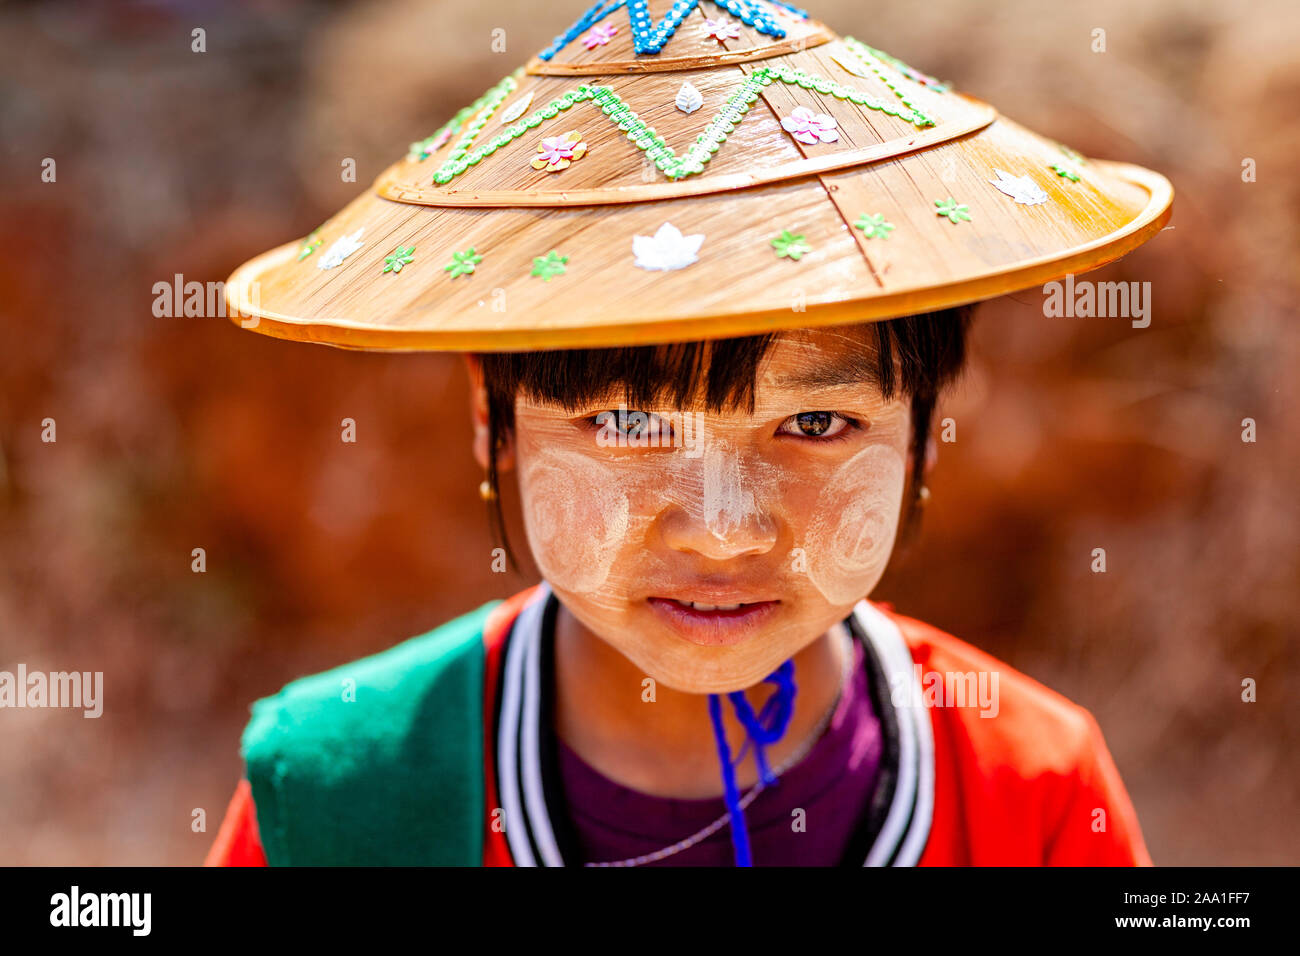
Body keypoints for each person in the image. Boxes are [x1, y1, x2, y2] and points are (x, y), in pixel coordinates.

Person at [206, 0, 1171, 866]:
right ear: (490, 422)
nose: (722, 531)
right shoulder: (339, 802)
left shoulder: (1033, 797)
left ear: (922, 431)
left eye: (816, 422)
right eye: (627, 421)